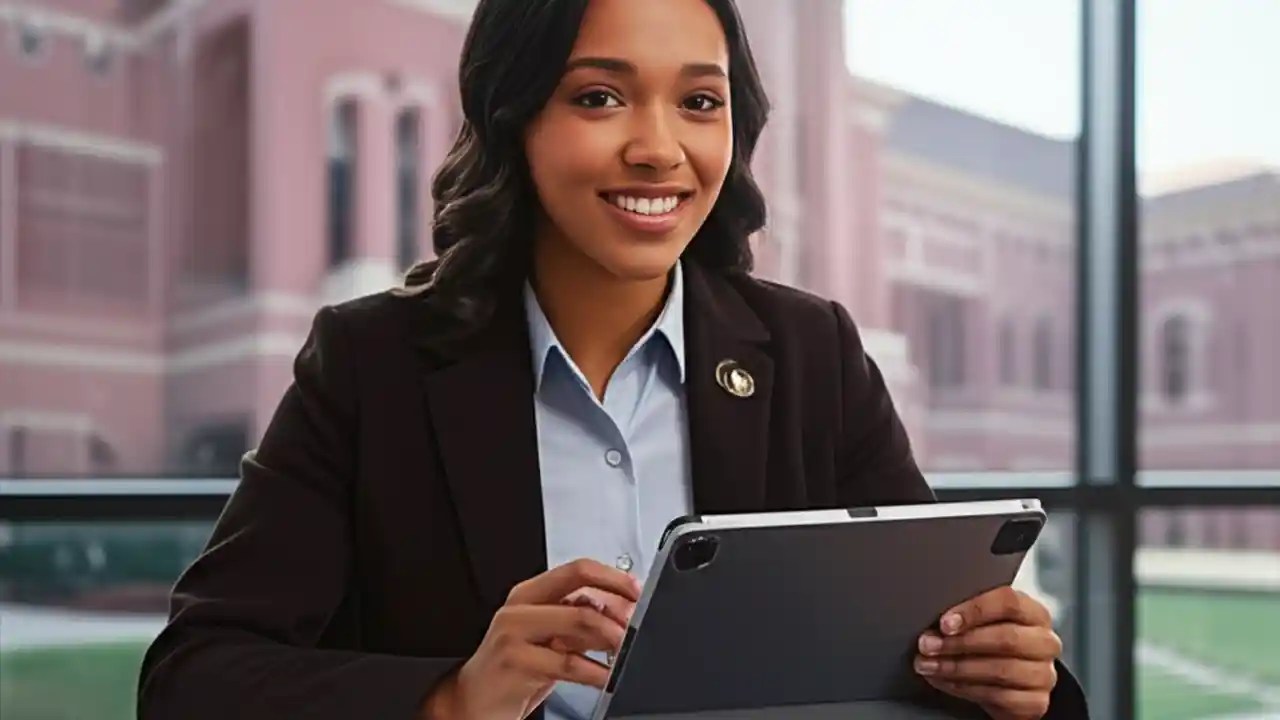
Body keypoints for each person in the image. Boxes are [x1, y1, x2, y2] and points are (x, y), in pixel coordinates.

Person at [137, 0, 1089, 718]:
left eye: (700, 102)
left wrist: (1014, 677)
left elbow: (929, 648)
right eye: (599, 96)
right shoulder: (370, 363)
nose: (658, 147)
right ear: (517, 118)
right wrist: (455, 699)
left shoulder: (813, 355)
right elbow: (194, 677)